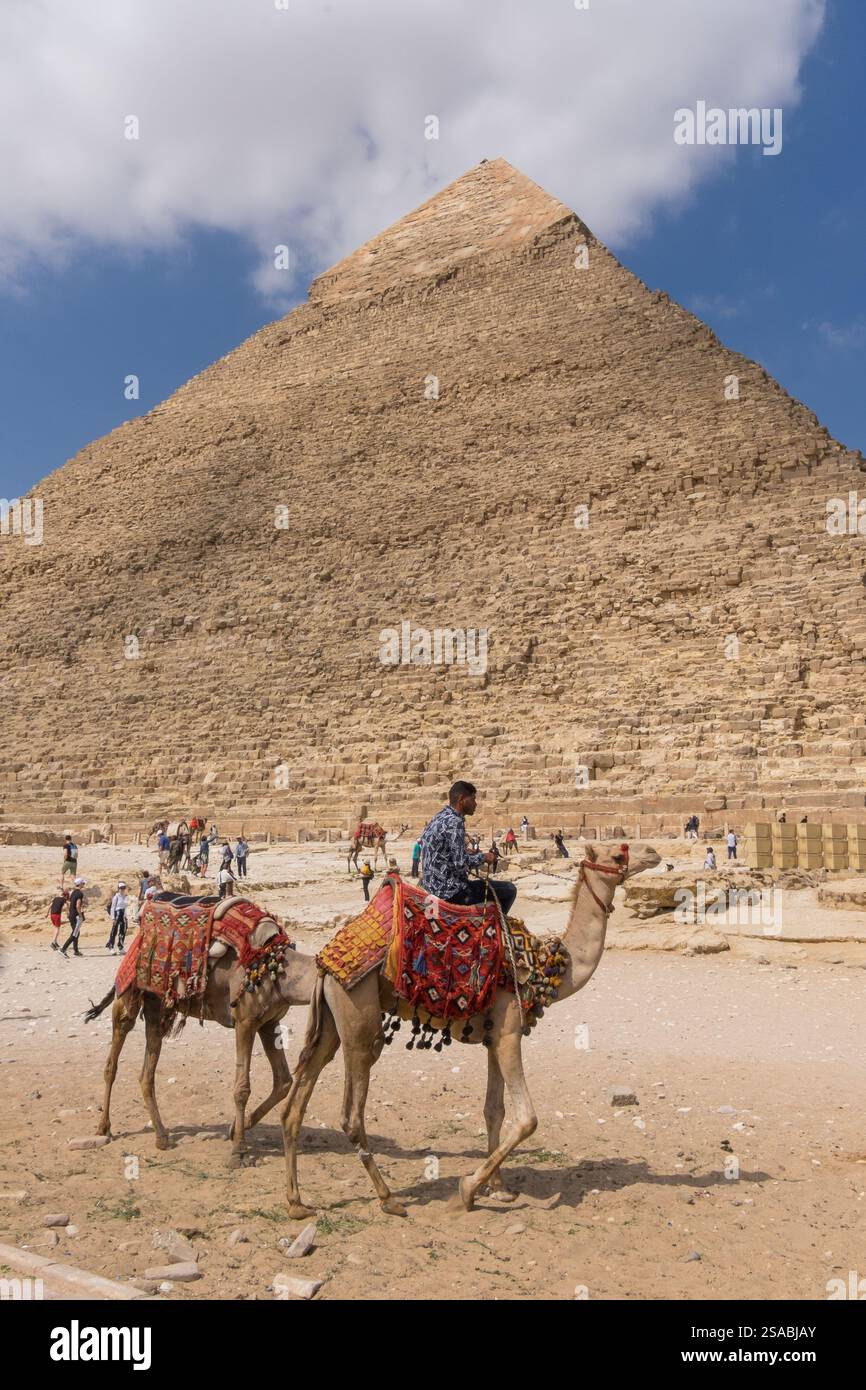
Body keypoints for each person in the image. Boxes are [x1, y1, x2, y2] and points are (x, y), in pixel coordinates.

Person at [419, 781, 517, 916]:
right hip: (450, 892)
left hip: (431, 885)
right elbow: (460, 864)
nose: (476, 804)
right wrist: (484, 857)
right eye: (473, 798)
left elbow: (443, 853)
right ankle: (495, 931)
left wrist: (466, 852)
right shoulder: (455, 822)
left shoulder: (440, 817)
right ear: (461, 800)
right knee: (510, 890)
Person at [60, 878, 86, 957]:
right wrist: (81, 915)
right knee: (74, 934)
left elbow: (70, 904)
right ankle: (63, 949)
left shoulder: (73, 892)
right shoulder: (80, 894)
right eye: (83, 883)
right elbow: (77, 906)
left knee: (76, 933)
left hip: (71, 915)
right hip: (76, 916)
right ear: (80, 884)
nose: (84, 885)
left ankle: (76, 951)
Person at [106, 882, 130, 953]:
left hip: (123, 914)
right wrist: (113, 917)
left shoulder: (125, 896)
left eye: (124, 888)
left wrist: (126, 916)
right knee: (114, 931)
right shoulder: (116, 897)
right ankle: (111, 946)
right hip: (117, 913)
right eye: (121, 888)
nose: (122, 889)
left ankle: (120, 946)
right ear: (118, 889)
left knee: (123, 931)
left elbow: (126, 907)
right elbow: (113, 907)